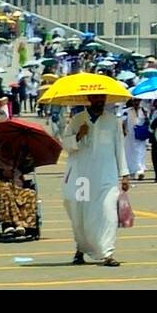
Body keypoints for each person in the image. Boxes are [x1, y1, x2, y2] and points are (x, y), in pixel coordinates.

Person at [62, 96, 130, 266]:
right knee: (80, 214)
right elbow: (65, 145)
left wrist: (124, 174)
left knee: (108, 213)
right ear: (90, 99)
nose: (100, 101)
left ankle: (107, 253)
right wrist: (78, 135)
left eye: (102, 99)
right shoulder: (77, 120)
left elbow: (119, 147)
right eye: (96, 99)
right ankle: (81, 248)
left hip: (106, 176)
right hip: (82, 177)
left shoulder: (114, 121)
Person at [121, 98, 147, 181]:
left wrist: (146, 116)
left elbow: (147, 121)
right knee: (130, 153)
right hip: (130, 135)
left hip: (140, 134)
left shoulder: (143, 110)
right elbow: (123, 121)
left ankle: (140, 170)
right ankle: (132, 171)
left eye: (138, 101)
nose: (136, 103)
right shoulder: (127, 111)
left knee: (141, 152)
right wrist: (124, 130)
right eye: (135, 101)